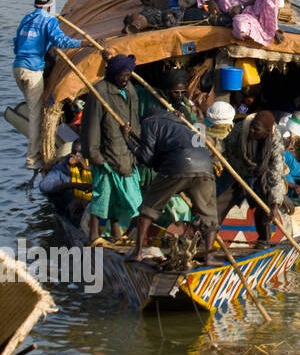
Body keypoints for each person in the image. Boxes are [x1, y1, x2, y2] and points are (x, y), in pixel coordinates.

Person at [128, 102, 219, 262]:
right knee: (209, 214)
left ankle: (138, 252)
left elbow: (147, 158)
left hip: (179, 165)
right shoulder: (182, 123)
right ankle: (209, 256)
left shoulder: (149, 122)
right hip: (205, 166)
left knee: (149, 208)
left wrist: (128, 141)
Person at [12, 0, 81, 168]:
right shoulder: (48, 20)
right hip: (32, 69)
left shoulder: (26, 19)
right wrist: (82, 43)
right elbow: (61, 41)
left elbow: (16, 43)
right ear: (50, 6)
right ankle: (33, 159)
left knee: (34, 106)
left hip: (17, 68)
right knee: (37, 115)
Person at [81, 54, 143, 240]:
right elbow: (91, 126)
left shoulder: (130, 89)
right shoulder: (100, 92)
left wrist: (137, 144)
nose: (125, 79)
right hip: (107, 152)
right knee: (102, 197)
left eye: (128, 74)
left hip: (126, 151)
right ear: (114, 73)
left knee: (127, 199)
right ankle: (93, 234)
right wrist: (94, 154)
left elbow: (135, 119)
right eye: (122, 75)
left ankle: (116, 232)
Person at [222, 109, 287, 240]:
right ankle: (205, 240)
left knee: (265, 207)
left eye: (257, 130)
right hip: (235, 172)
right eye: (252, 127)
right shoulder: (240, 130)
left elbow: (276, 172)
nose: (252, 131)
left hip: (259, 176)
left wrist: (275, 204)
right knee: (219, 204)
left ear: (267, 132)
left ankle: (264, 241)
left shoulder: (275, 141)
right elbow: (225, 148)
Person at [38, 139, 93, 217]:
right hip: (73, 205)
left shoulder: (93, 165)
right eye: (74, 152)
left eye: (79, 153)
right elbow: (44, 186)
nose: (75, 155)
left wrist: (85, 167)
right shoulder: (63, 167)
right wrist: (71, 185)